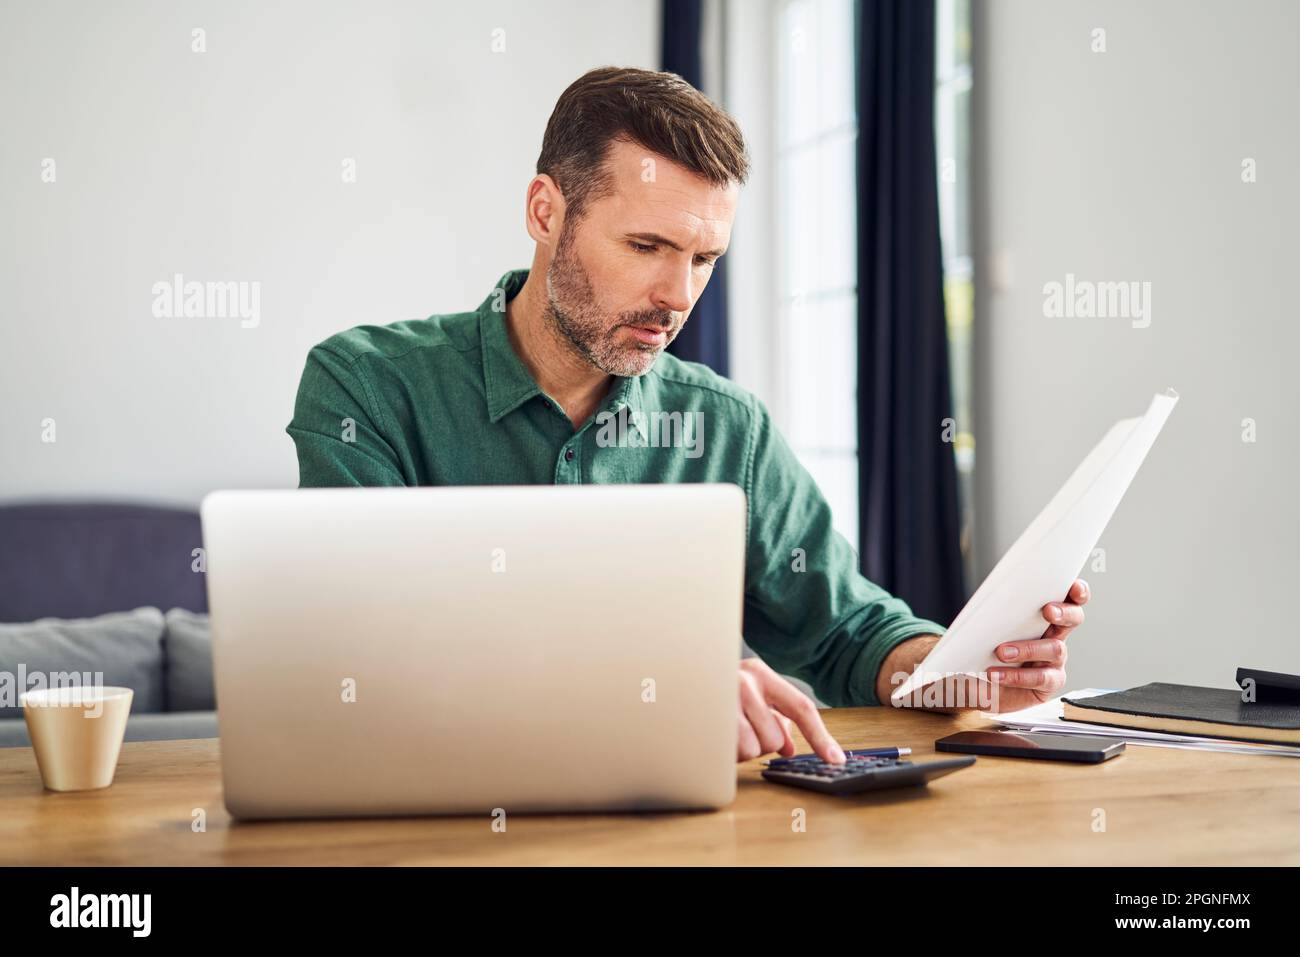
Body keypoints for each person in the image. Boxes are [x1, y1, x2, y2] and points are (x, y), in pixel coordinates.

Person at [287, 66, 1087, 765]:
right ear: (545, 212)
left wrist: (960, 667)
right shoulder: (365, 387)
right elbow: (366, 656)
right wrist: (659, 686)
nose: (677, 297)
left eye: (704, 259)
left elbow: (845, 629)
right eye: (646, 246)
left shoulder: (727, 428)